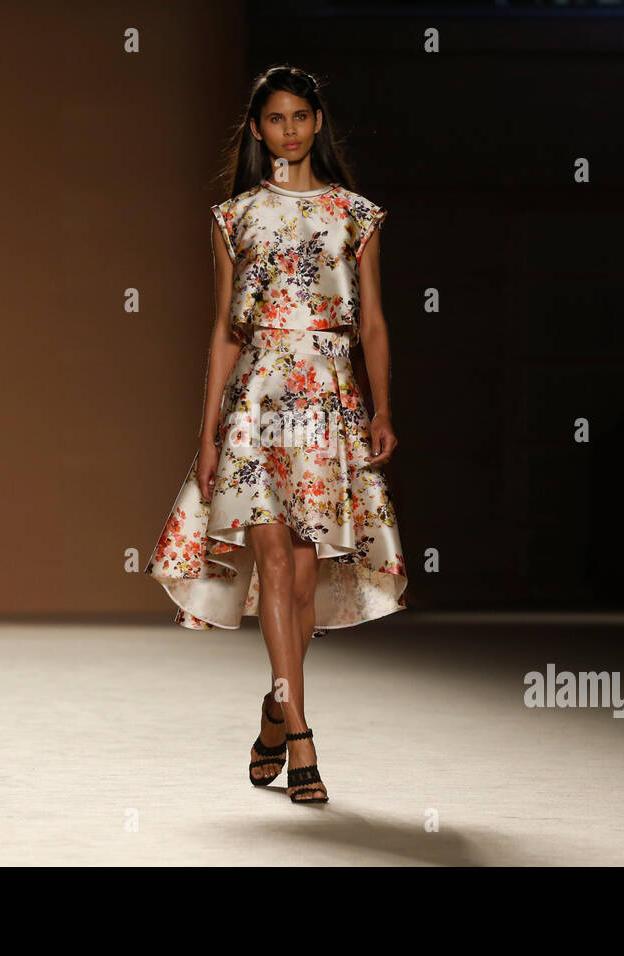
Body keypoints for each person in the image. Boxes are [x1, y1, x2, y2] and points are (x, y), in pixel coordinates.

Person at [144, 65, 407, 804]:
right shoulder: (236, 217)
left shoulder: (356, 215)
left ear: (318, 121)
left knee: (296, 576)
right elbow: (226, 332)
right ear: (258, 131)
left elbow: (375, 323)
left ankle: (275, 706)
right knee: (271, 560)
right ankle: (300, 737)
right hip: (258, 402)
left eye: (299, 116)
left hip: (326, 398)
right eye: (274, 119)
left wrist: (381, 412)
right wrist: (205, 433)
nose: (288, 129)